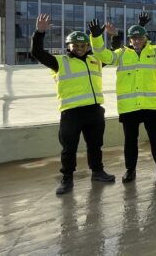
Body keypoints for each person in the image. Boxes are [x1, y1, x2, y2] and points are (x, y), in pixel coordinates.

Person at [31, 14, 115, 195]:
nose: (79, 48)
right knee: (69, 148)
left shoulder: (95, 60)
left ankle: (97, 171)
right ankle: (67, 178)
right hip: (71, 113)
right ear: (68, 46)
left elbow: (112, 56)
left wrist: (113, 36)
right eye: (75, 45)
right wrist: (39, 32)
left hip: (94, 110)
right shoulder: (60, 62)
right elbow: (37, 53)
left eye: (83, 45)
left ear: (88, 46)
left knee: (95, 145)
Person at [88, 19, 156, 182]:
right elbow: (103, 55)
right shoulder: (121, 53)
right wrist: (96, 38)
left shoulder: (155, 52)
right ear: (130, 40)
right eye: (134, 38)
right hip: (129, 106)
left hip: (151, 105)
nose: (137, 41)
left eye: (140, 38)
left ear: (145, 38)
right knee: (130, 141)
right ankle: (130, 170)